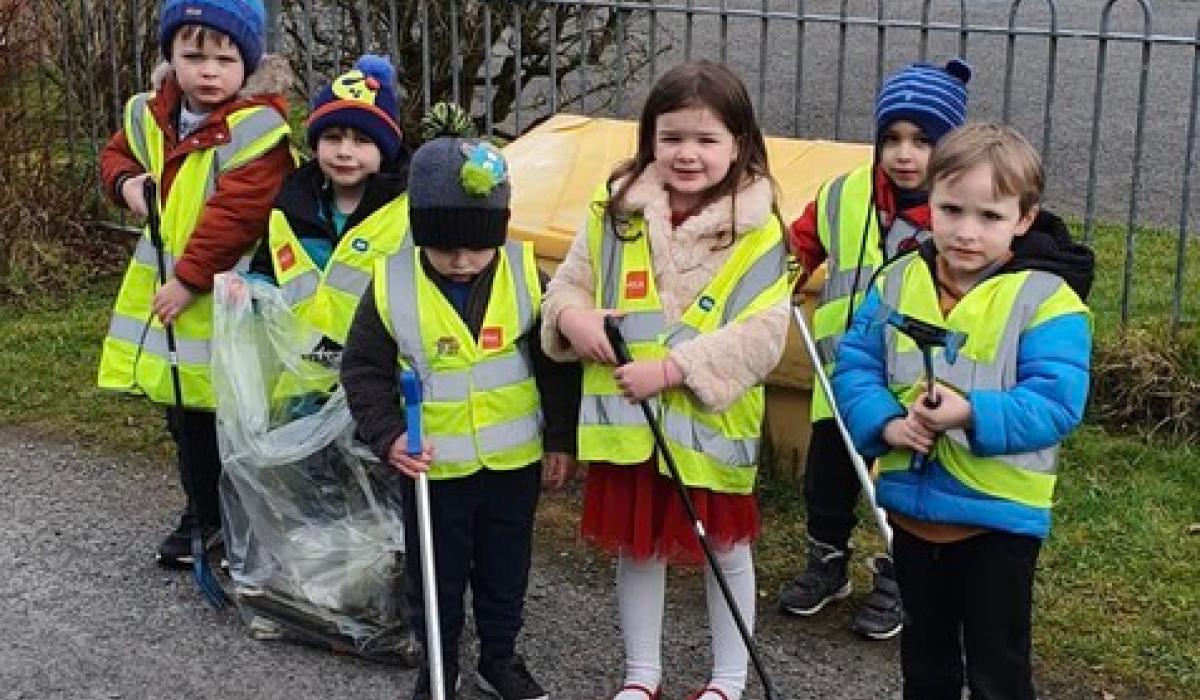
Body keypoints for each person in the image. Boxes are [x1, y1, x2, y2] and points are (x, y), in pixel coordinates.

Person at [541, 60, 791, 700]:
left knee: (726, 550)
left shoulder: (758, 231)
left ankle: (728, 681)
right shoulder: (615, 211)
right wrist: (573, 317)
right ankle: (641, 676)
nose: (688, 154)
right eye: (672, 137)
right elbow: (567, 285)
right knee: (638, 548)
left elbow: (764, 332)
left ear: (739, 144)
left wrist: (676, 369)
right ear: (649, 138)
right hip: (631, 425)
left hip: (709, 425)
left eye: (707, 140)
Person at [832, 122, 1093, 700]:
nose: (966, 232)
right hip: (910, 513)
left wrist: (970, 412)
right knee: (926, 668)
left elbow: (1057, 402)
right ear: (930, 203)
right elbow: (855, 365)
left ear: (1024, 220)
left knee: (998, 672)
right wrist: (886, 423)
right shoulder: (897, 280)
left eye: (990, 217)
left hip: (996, 522)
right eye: (951, 210)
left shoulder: (1047, 300)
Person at [341, 136, 581, 700]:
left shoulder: (526, 275)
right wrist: (388, 435)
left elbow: (557, 367)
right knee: (436, 578)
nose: (461, 260)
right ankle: (440, 667)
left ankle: (498, 659)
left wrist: (560, 441)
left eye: (476, 247)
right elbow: (363, 371)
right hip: (433, 467)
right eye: (445, 247)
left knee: (505, 571)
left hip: (513, 463)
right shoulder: (391, 283)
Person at [778, 58, 972, 640]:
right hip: (843, 375)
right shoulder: (844, 194)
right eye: (892, 138)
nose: (905, 153)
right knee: (828, 478)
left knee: (902, 483)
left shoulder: (959, 213)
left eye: (922, 141)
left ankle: (899, 574)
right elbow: (798, 244)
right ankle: (828, 560)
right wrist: (780, 273)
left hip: (917, 383)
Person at [97, 0, 293, 569]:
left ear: (248, 64)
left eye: (224, 59)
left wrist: (189, 279)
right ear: (170, 58)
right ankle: (205, 516)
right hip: (175, 308)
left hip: (226, 300)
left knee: (225, 423)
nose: (208, 71)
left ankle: (228, 519)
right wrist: (127, 182)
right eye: (193, 56)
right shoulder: (149, 114)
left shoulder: (256, 130)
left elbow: (237, 216)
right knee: (185, 417)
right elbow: (116, 154)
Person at [245, 53, 409, 354]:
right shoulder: (293, 205)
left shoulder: (404, 211)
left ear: (385, 151)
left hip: (377, 367)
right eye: (332, 138)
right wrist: (249, 290)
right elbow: (267, 267)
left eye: (361, 141)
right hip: (302, 368)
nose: (345, 152)